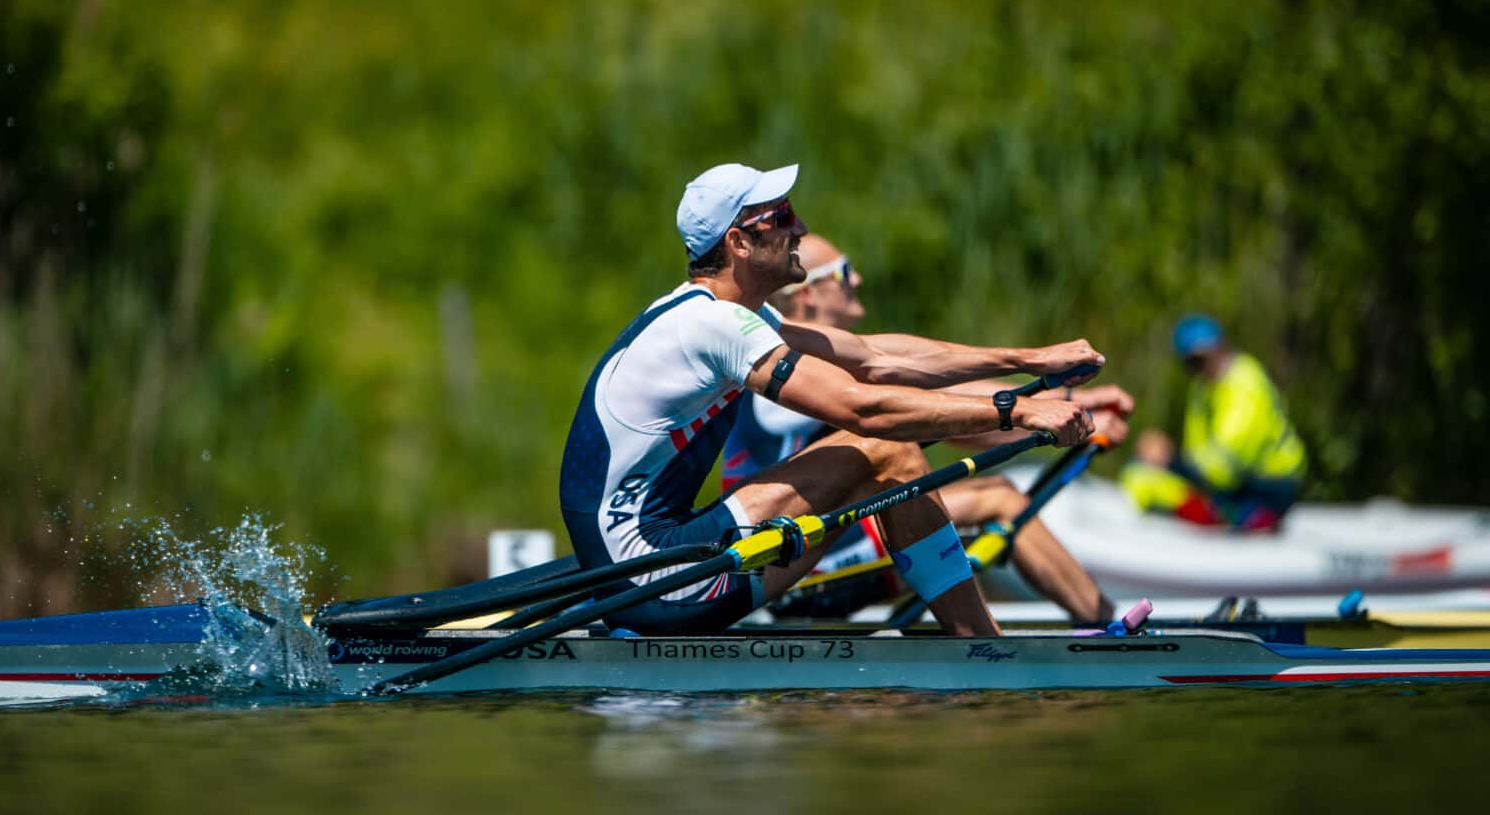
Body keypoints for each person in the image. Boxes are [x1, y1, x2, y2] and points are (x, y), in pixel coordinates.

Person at [559, 162, 1100, 638]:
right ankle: (983, 651)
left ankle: (979, 646)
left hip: (656, 564)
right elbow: (864, 408)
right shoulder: (713, 326)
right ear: (738, 244)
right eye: (782, 216)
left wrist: (1030, 359)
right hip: (654, 581)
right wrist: (1018, 412)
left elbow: (875, 357)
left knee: (889, 461)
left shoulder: (724, 317)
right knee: (883, 449)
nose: (801, 228)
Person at [722, 233, 1131, 623]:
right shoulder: (797, 369)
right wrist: (1064, 407)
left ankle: (993, 636)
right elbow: (948, 417)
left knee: (965, 532)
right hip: (795, 555)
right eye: (844, 272)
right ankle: (1108, 630)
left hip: (830, 538)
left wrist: (1069, 403)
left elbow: (946, 391)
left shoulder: (806, 362)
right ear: (808, 295)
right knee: (998, 499)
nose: (858, 279)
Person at [1121, 314, 1307, 531]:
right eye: (1189, 363)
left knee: (1164, 482)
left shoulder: (1244, 384)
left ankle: (1248, 523)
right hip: (1229, 486)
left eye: (1200, 359)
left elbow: (1225, 465)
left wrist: (1170, 459)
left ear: (1222, 348)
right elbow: (1198, 454)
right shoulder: (1202, 390)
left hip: (1268, 488)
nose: (1197, 369)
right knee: (1138, 474)